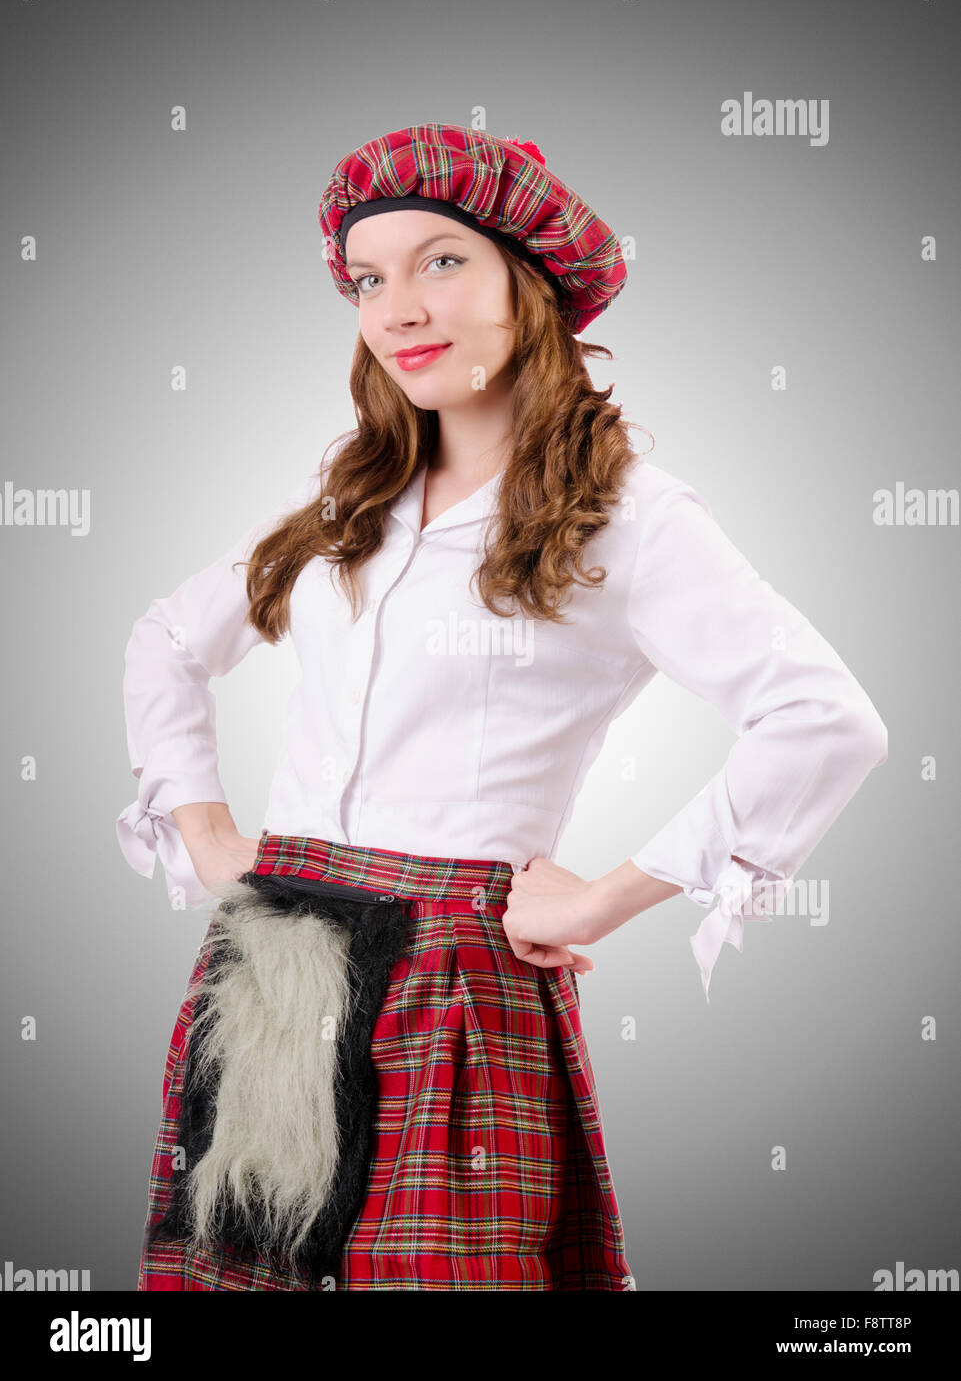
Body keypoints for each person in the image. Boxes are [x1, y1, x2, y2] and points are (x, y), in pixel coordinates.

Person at [116, 123, 887, 1292]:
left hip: (456, 983)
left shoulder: (629, 515)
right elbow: (168, 639)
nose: (398, 308)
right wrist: (206, 827)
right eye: (370, 279)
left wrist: (603, 898)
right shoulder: (348, 500)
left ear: (530, 286)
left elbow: (825, 717)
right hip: (271, 966)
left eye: (440, 262)